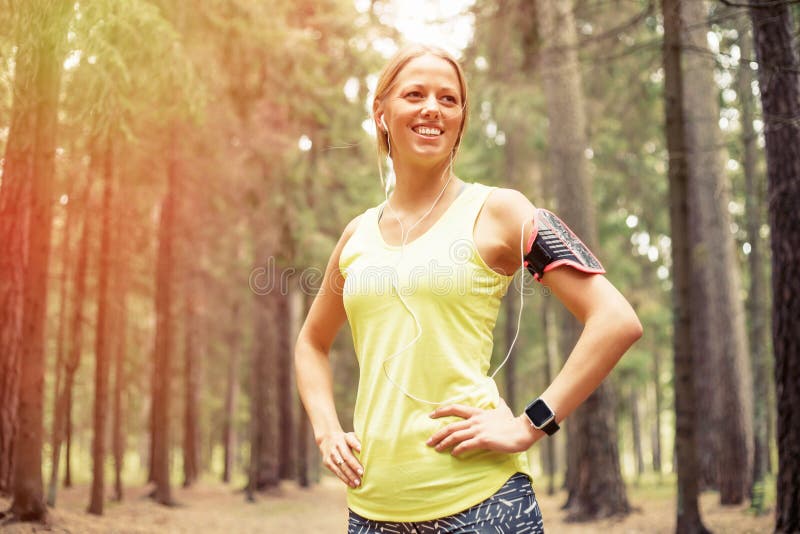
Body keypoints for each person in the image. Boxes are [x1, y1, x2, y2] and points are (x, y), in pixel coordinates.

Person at [294, 43, 643, 534]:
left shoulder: (500, 211)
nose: (432, 108)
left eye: (449, 99)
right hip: (372, 511)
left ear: (460, 120)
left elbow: (615, 319)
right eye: (414, 94)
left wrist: (530, 423)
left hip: (483, 507)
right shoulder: (356, 235)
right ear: (381, 113)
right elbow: (311, 343)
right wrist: (327, 431)